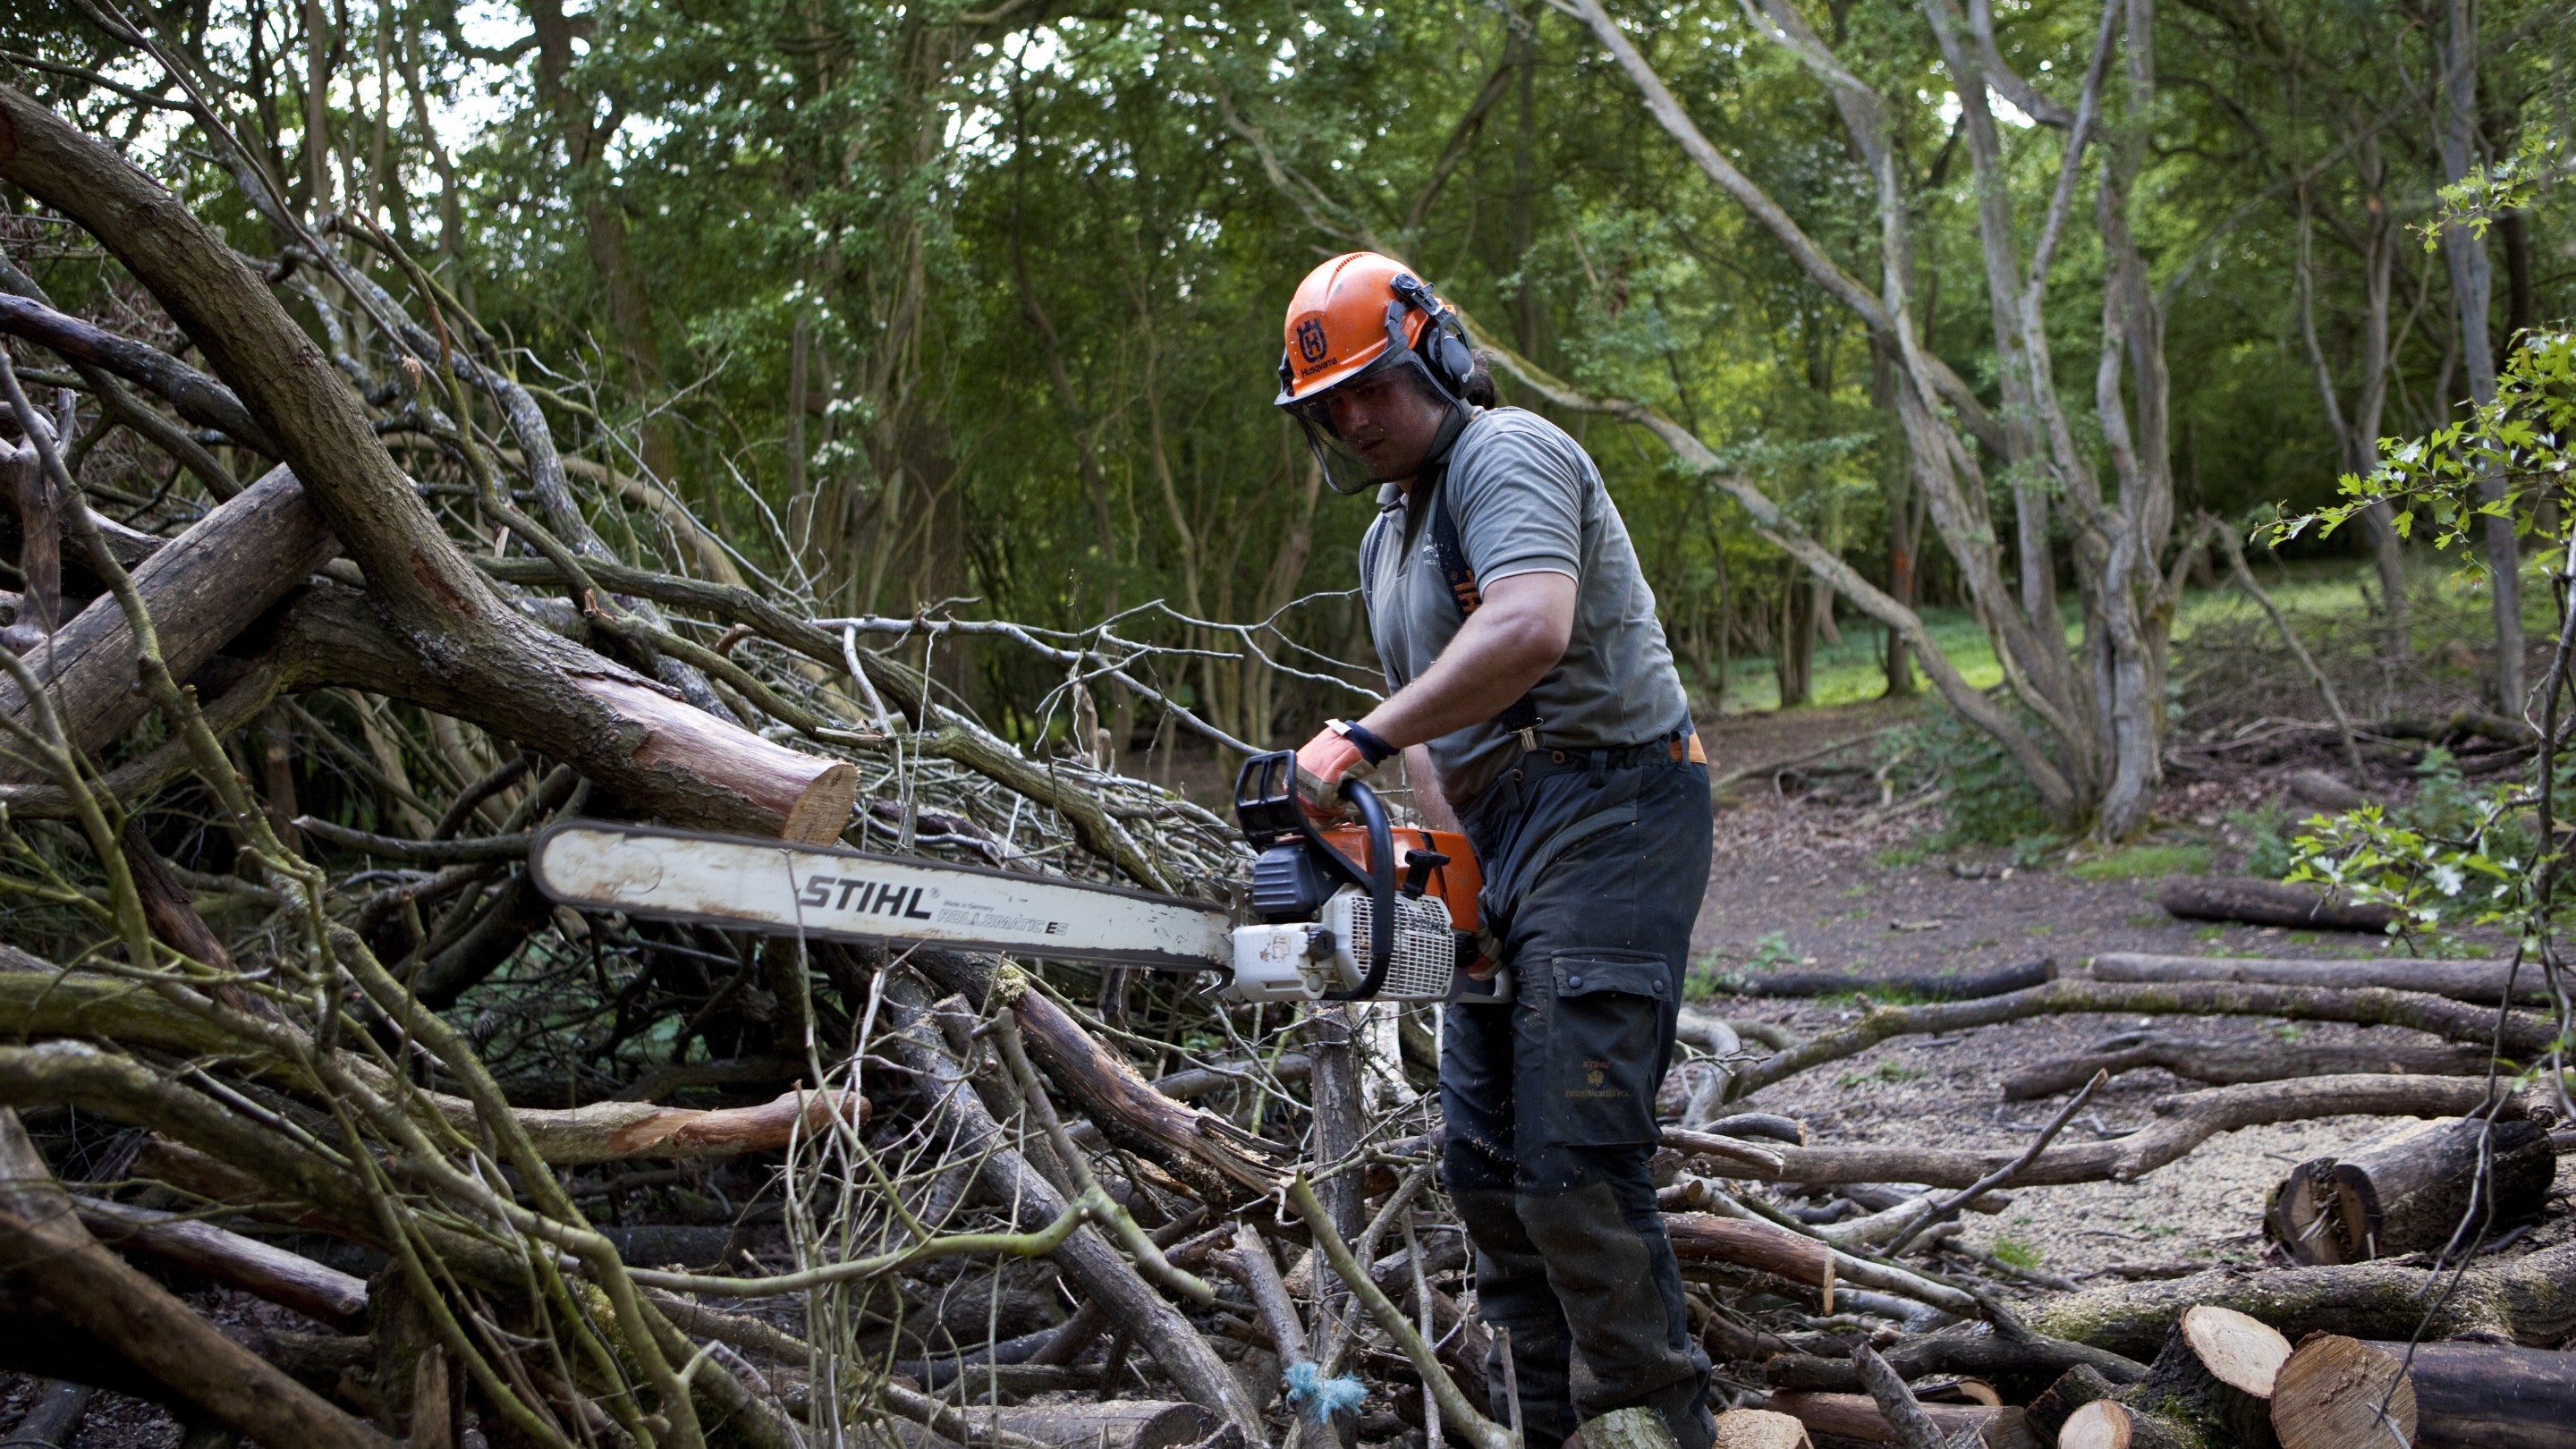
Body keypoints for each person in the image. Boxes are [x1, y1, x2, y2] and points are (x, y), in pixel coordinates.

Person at [1274, 251, 1716, 1449]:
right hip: (1501, 828)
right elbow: (1436, 732)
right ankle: (1551, 1423)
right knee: (1484, 1166)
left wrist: (1354, 737)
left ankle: (1654, 1423)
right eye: (1330, 403)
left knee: (1574, 1157)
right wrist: (1449, 891)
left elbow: (1529, 629)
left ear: (1435, 355)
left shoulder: (1504, 452)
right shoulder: (1386, 537)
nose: (1352, 416)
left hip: (1611, 805)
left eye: (1371, 385)